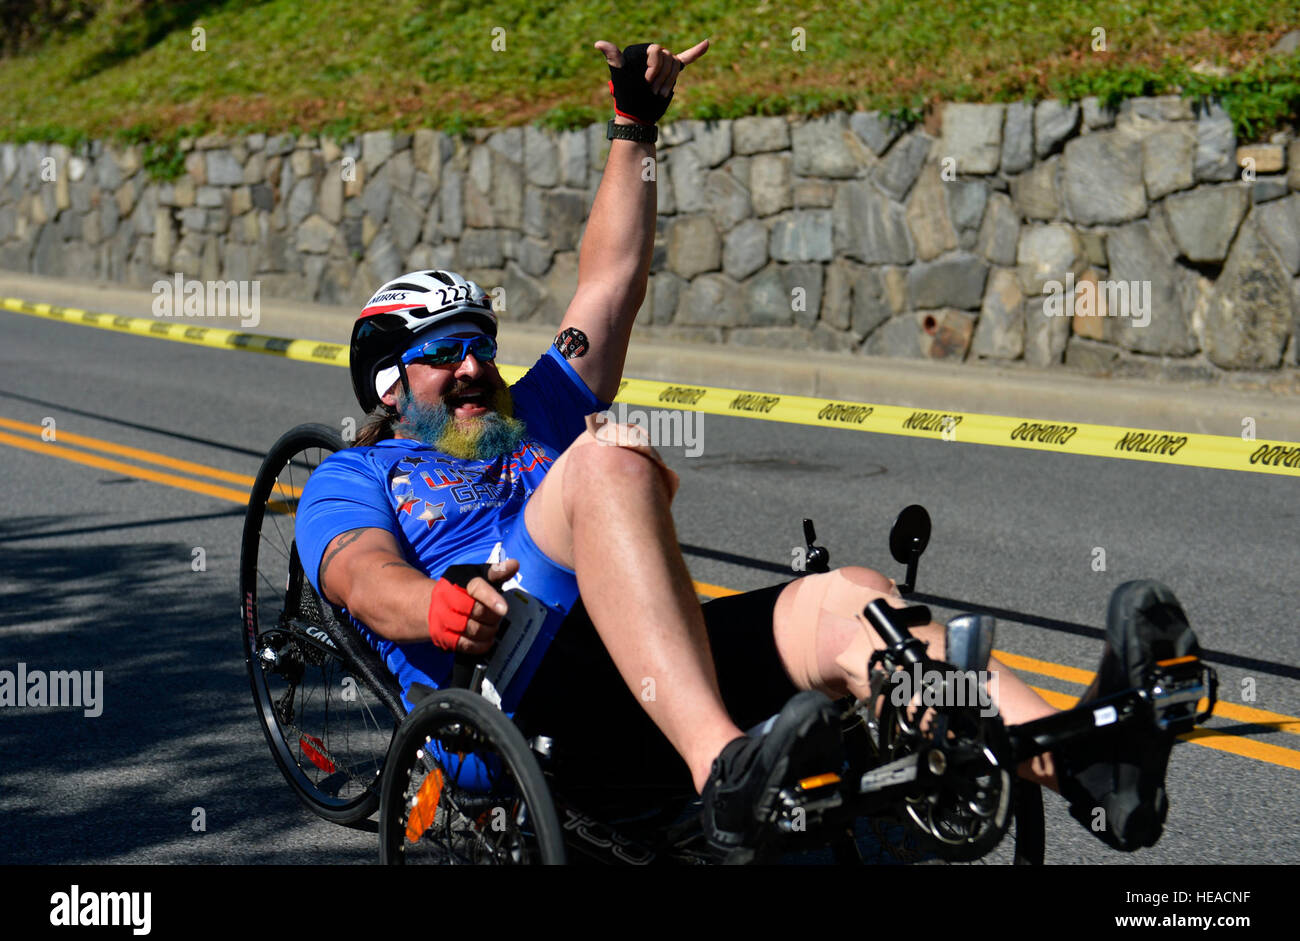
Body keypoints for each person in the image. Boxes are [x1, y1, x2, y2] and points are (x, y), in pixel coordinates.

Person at [295, 38, 1199, 855]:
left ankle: (1083, 761)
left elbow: (608, 281)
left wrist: (633, 128)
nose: (472, 365)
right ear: (386, 383)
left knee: (847, 599)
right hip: (517, 698)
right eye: (440, 352)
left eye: (479, 344)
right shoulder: (358, 473)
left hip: (649, 662)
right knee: (608, 458)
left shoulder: (536, 410)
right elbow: (362, 579)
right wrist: (439, 609)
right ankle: (721, 763)